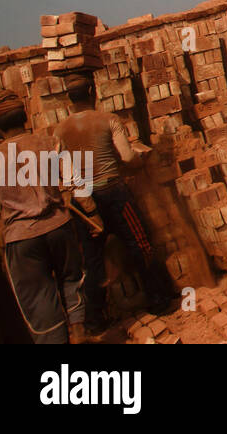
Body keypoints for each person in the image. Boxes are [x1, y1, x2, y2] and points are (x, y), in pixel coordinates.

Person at [54, 73, 178, 322]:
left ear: (69, 100)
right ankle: (158, 299)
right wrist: (141, 157)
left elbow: (64, 173)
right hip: (114, 193)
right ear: (93, 93)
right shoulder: (108, 120)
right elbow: (127, 157)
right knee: (140, 244)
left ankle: (96, 319)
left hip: (84, 202)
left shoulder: (60, 130)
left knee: (92, 259)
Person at [0, 87, 85, 343]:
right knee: (72, 281)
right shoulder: (50, 142)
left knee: (39, 301)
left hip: (21, 239)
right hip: (59, 226)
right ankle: (79, 332)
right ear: (25, 119)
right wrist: (91, 213)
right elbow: (76, 182)